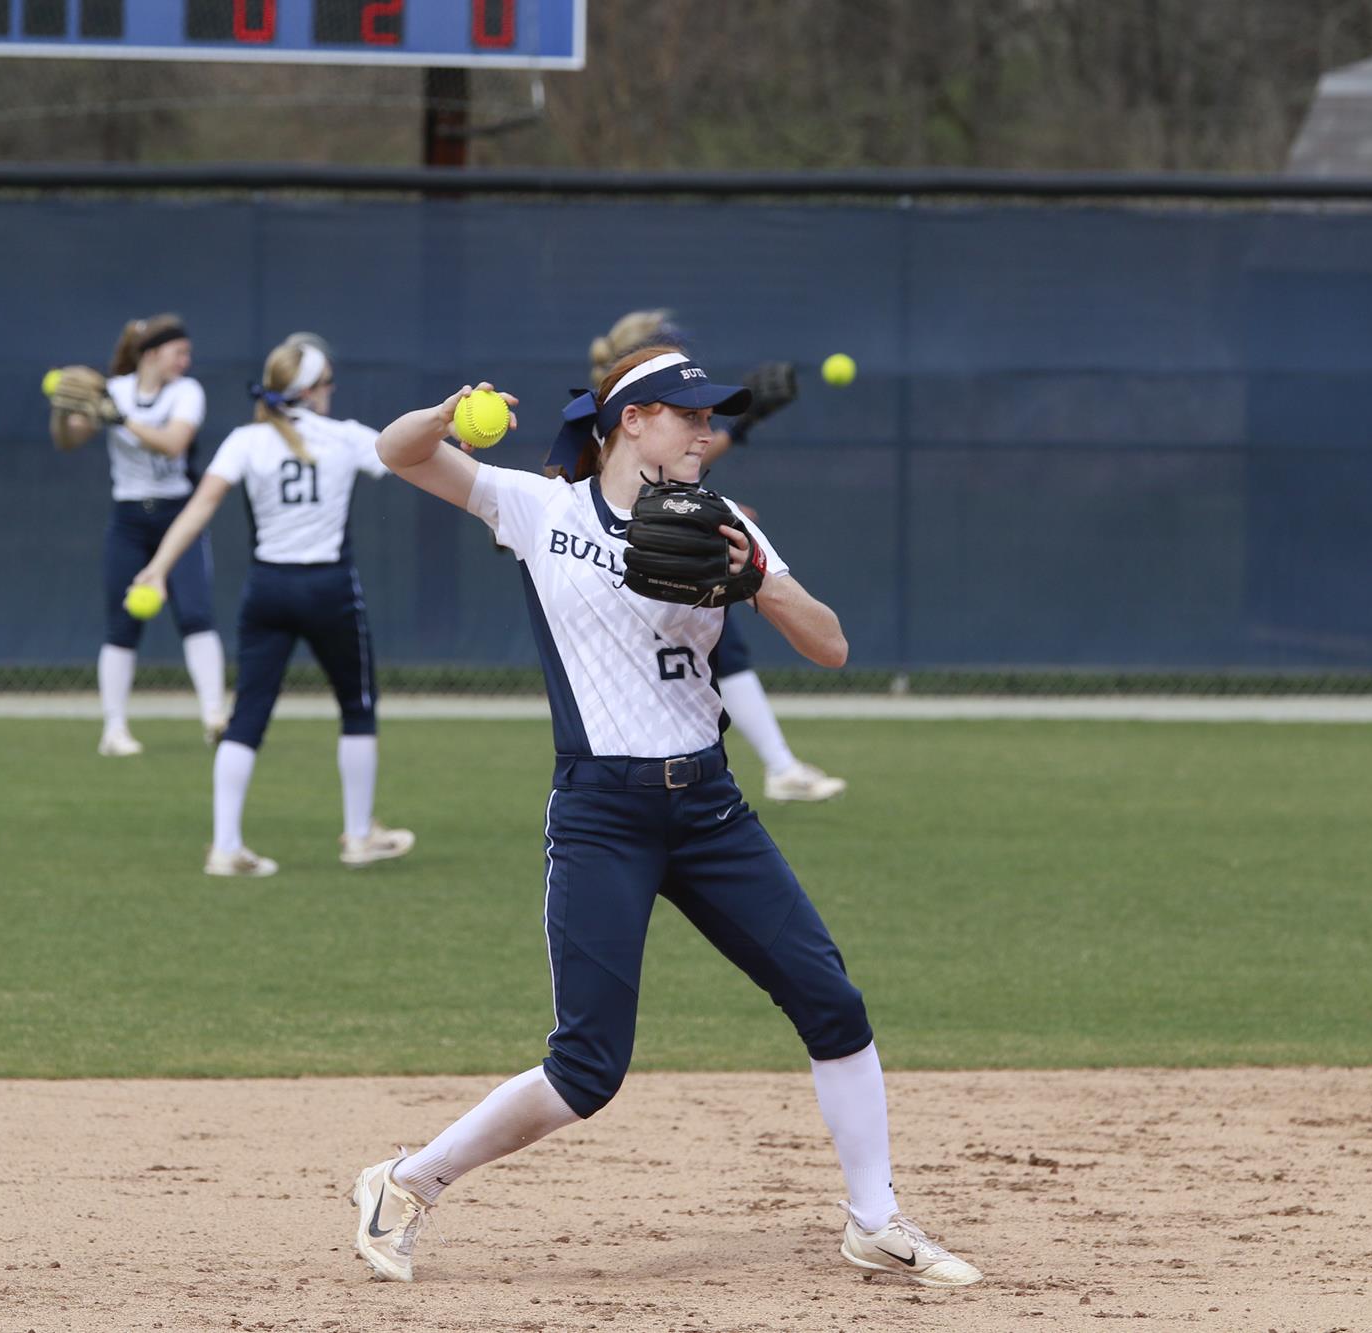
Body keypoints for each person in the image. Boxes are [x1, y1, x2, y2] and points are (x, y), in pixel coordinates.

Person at [349, 347, 981, 1287]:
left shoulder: (721, 522)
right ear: (631, 419)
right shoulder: (541, 508)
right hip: (604, 811)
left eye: (710, 417)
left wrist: (756, 577)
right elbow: (398, 453)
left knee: (832, 1002)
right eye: (688, 415)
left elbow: (833, 644)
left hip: (711, 809)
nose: (707, 432)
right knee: (587, 1069)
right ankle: (405, 1182)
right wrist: (446, 412)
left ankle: (875, 1218)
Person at [130, 335, 414, 875]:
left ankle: (225, 845)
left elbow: (199, 506)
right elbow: (412, 456)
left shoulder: (246, 441)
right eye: (326, 383)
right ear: (309, 390)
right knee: (357, 709)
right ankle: (357, 837)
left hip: (268, 590)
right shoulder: (344, 437)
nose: (332, 391)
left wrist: (157, 567)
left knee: (247, 718)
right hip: (329, 589)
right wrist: (452, 430)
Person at [572, 310, 846, 802]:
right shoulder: (610, 424)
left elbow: (681, 475)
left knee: (726, 652)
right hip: (630, 563)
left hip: (676, 551)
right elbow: (606, 489)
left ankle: (778, 765)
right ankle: (774, 766)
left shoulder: (665, 431)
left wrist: (711, 512)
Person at [50, 312, 227, 757]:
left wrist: (118, 418)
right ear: (152, 353)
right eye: (178, 351)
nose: (186, 360)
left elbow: (173, 444)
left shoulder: (187, 392)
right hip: (129, 518)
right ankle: (114, 731)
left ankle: (214, 717)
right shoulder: (118, 390)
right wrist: (66, 410)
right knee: (122, 624)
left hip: (177, 515)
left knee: (195, 614)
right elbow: (69, 440)